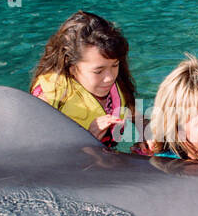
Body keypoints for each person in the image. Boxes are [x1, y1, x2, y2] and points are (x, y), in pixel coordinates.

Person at [30, 11, 138, 148]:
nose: (110, 77)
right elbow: (38, 155)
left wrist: (146, 135)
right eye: (98, 71)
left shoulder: (118, 84)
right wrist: (87, 138)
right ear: (72, 68)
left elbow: (134, 114)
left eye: (115, 65)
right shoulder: (49, 100)